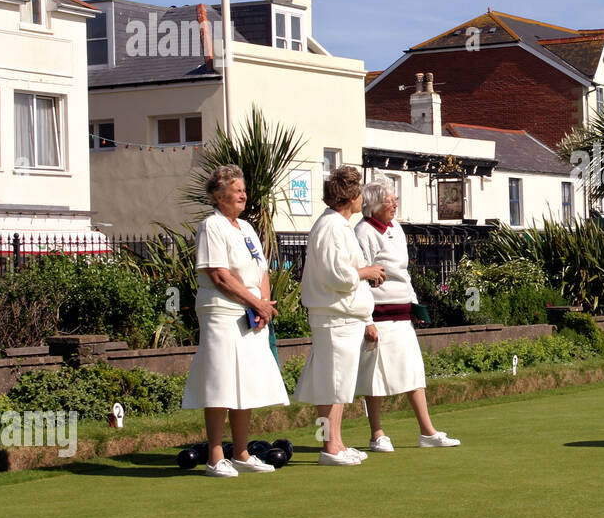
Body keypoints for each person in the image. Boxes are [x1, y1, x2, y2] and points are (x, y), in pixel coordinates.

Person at [181, 164, 290, 477]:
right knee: (222, 380)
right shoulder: (211, 226)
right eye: (236, 190)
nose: (243, 194)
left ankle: (241, 452)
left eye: (244, 189)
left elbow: (262, 271)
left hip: (250, 314)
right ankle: (215, 455)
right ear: (218, 195)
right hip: (222, 313)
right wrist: (256, 303)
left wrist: (263, 306)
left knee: (247, 381)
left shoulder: (246, 228)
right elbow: (219, 275)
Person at [354, 179, 459, 450]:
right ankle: (377, 434)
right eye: (389, 200)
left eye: (394, 199)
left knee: (413, 371)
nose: (394, 204)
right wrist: (366, 320)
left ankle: (427, 431)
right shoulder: (363, 231)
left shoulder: (396, 228)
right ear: (375, 204)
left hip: (402, 315)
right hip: (377, 316)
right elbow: (361, 277)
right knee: (374, 376)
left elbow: (403, 273)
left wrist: (414, 304)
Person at [294, 165, 386, 466]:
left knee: (338, 383)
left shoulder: (338, 225)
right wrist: (367, 272)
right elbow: (337, 275)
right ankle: (330, 448)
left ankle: (336, 442)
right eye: (359, 192)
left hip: (343, 316)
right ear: (350, 196)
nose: (362, 198)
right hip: (334, 317)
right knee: (333, 383)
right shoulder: (332, 227)